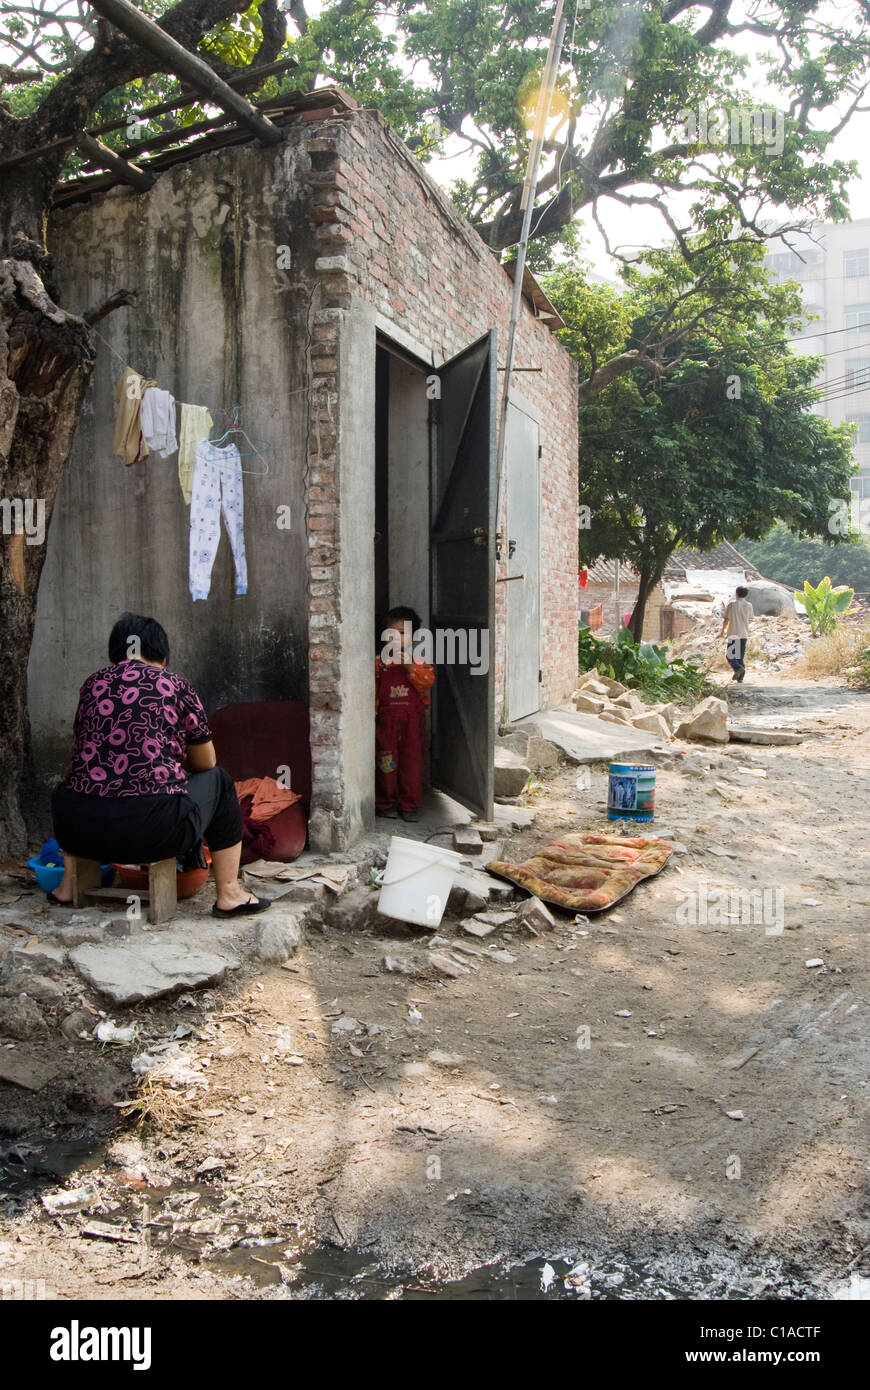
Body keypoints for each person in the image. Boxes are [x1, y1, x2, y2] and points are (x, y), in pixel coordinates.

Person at [48, 613, 269, 918]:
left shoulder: (92, 685)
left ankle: (67, 887)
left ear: (116, 654)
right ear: (162, 655)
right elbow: (207, 762)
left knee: (77, 781)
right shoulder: (173, 684)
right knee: (219, 780)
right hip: (153, 831)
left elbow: (84, 756)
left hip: (77, 829)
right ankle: (230, 893)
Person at [375, 606, 435, 822]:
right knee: (386, 763)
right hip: (387, 723)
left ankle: (409, 805)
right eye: (391, 632)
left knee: (412, 764)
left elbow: (427, 682)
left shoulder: (418, 662)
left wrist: (410, 668)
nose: (396, 637)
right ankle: (385, 803)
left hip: (412, 723)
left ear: (413, 638)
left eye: (403, 633)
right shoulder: (379, 663)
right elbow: (373, 691)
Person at [719, 585, 754, 683]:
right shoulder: (749, 605)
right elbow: (751, 619)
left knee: (730, 656)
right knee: (739, 656)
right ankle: (740, 678)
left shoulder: (732, 604)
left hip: (733, 633)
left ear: (736, 593)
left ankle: (738, 668)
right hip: (744, 633)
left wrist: (722, 631)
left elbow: (726, 619)